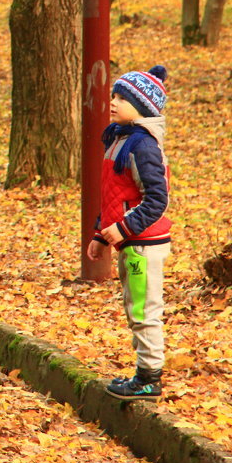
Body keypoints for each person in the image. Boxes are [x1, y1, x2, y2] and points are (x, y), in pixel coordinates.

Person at [88, 65, 172, 400]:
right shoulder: (119, 140)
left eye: (123, 98)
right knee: (134, 308)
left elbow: (157, 199)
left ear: (143, 107)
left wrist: (122, 229)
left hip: (143, 245)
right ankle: (143, 371)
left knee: (144, 310)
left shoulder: (142, 146)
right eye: (114, 95)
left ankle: (150, 377)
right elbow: (115, 197)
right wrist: (99, 233)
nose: (113, 102)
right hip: (129, 242)